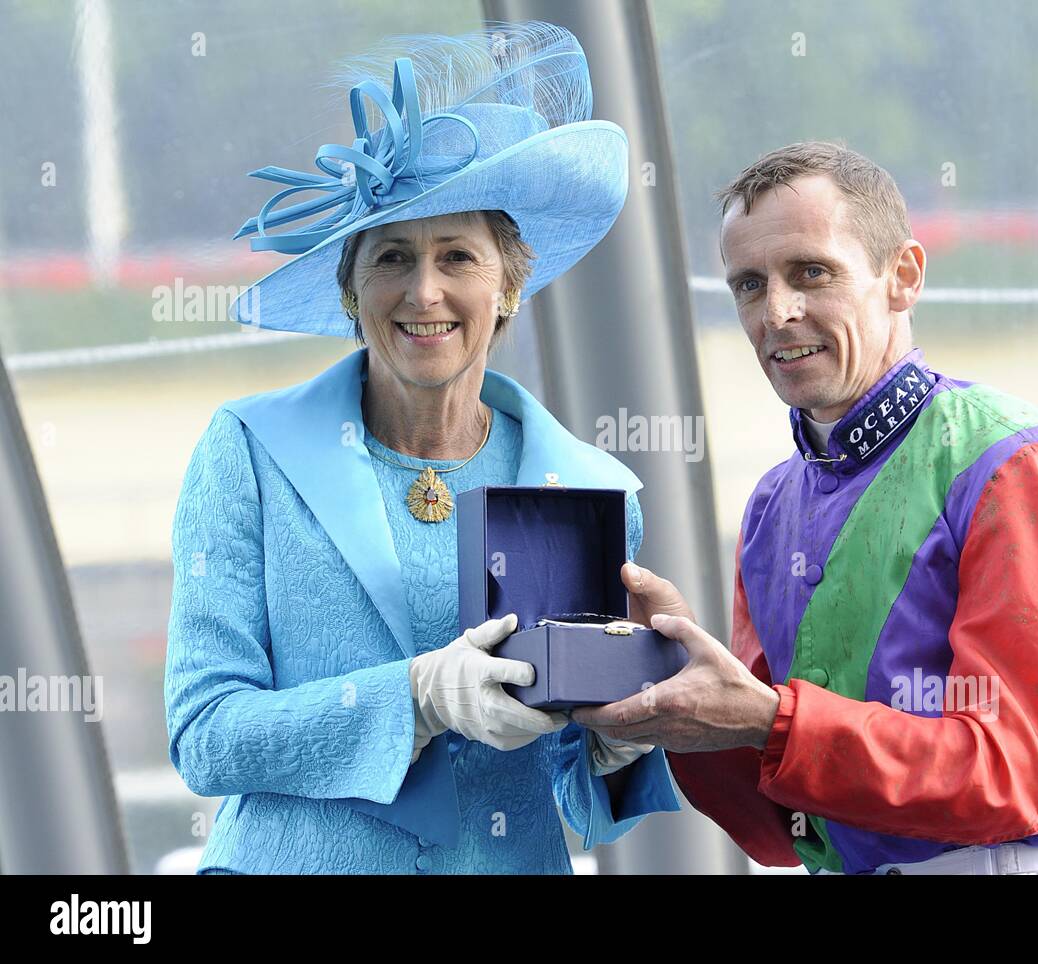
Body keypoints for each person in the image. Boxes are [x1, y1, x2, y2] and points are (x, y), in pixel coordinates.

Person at [164, 22, 677, 875]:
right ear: (350, 287)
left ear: (510, 284)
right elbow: (206, 735)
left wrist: (626, 727)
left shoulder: (590, 488)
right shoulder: (249, 453)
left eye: (458, 257)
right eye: (393, 256)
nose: (425, 290)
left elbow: (575, 787)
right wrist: (417, 698)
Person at [573, 141, 1038, 875]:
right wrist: (677, 689)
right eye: (748, 285)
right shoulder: (774, 505)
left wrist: (766, 719)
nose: (776, 312)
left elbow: (1014, 777)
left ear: (902, 276)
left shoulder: (1018, 465)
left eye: (811, 272)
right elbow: (784, 833)